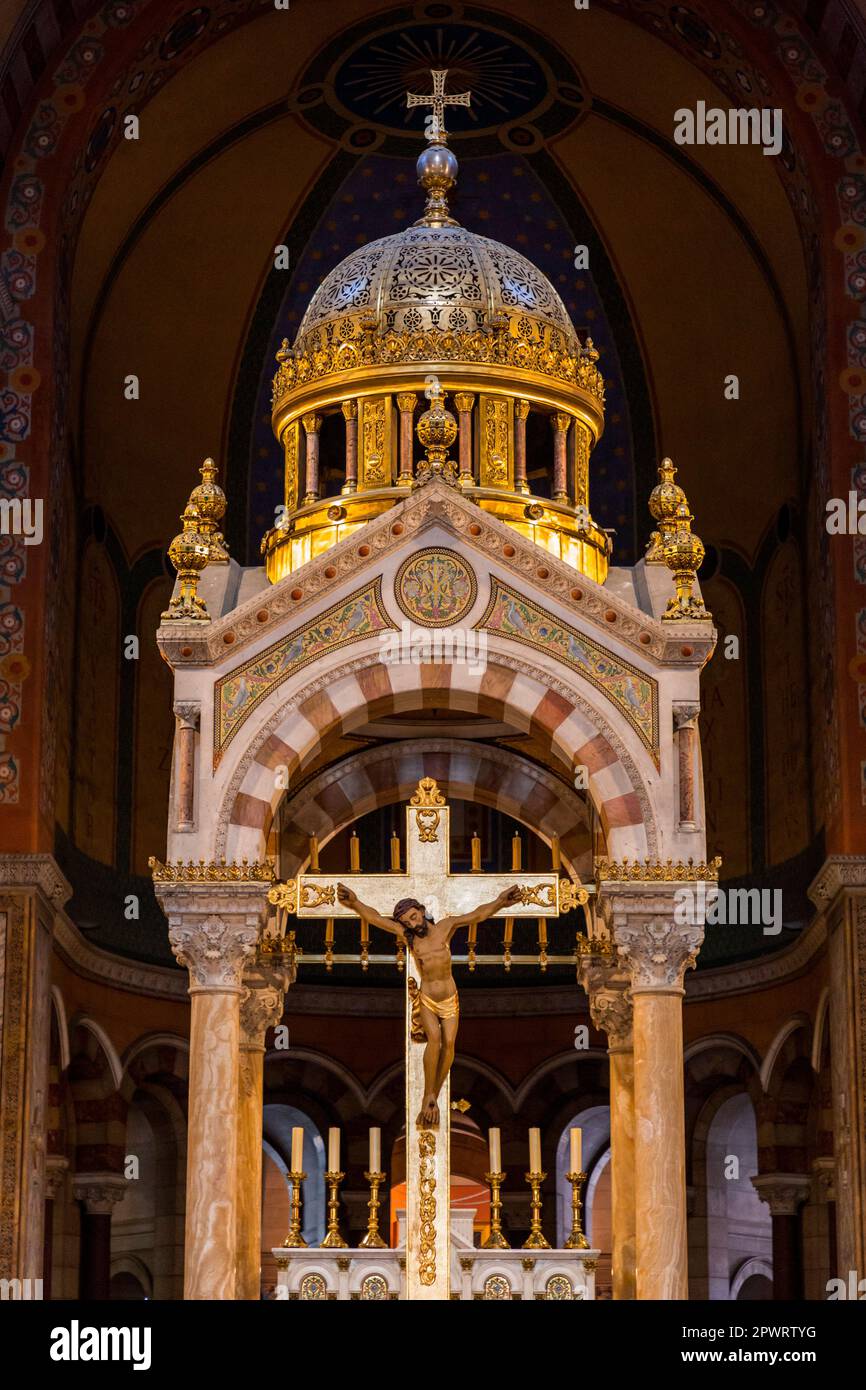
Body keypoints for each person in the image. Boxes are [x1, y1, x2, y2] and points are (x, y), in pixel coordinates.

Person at [336, 881, 521, 1125]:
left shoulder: (446, 927)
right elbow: (376, 920)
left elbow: (477, 915)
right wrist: (355, 903)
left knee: (450, 1044)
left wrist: (499, 902)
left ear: (422, 911)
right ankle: (428, 1095)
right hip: (428, 999)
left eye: (414, 917)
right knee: (434, 1041)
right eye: (407, 922)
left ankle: (435, 1090)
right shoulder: (410, 938)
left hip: (449, 997)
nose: (412, 924)